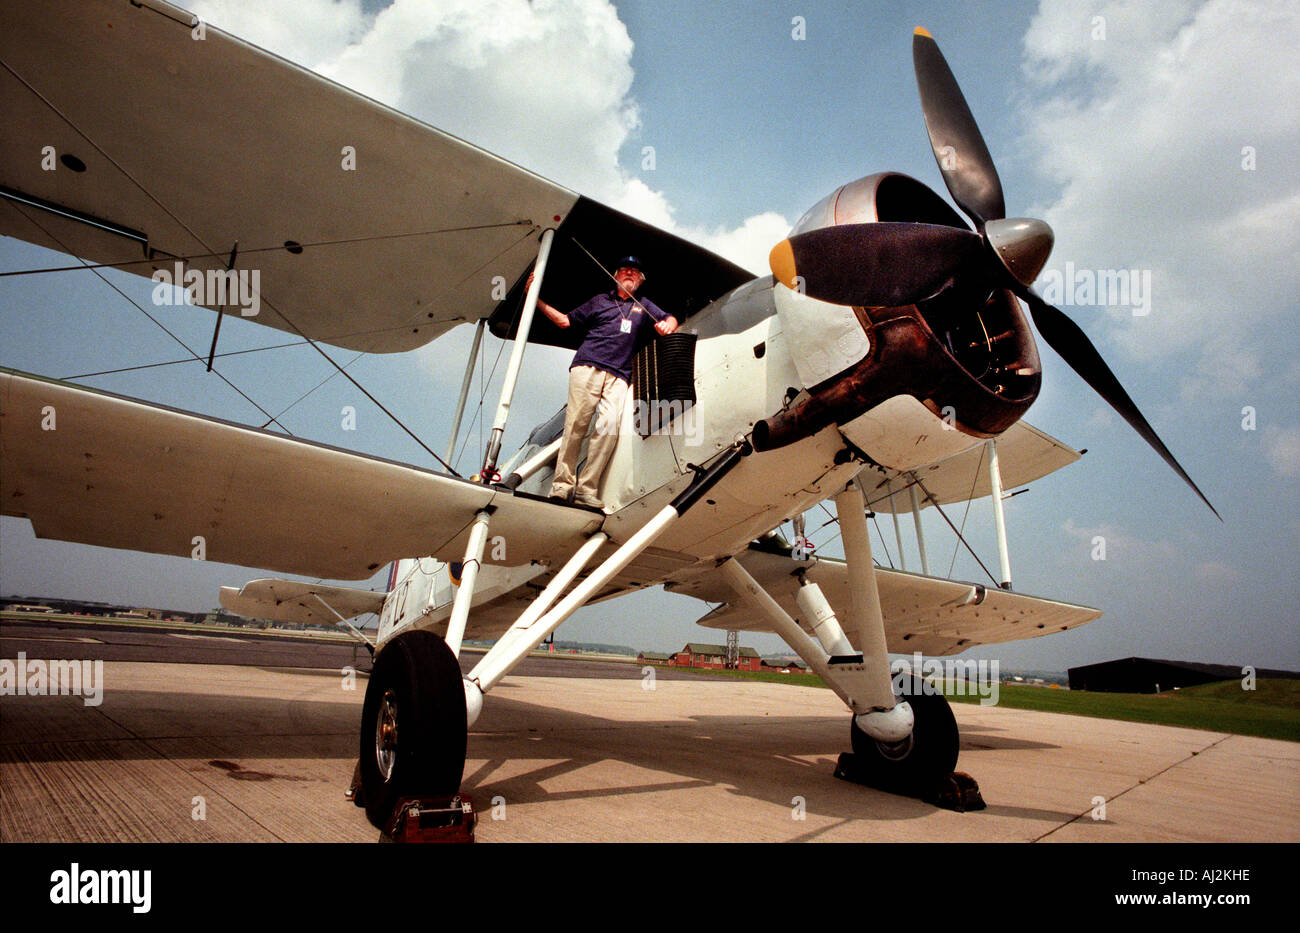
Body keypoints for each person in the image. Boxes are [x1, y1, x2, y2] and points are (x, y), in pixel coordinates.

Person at [531, 256, 678, 508]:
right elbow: (564, 321)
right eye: (624, 270)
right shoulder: (600, 300)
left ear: (641, 280)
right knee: (576, 424)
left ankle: (586, 489)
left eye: (635, 271)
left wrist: (668, 325)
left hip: (620, 375)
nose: (629, 273)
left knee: (609, 427)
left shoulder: (643, 306)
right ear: (615, 276)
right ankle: (561, 485)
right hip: (587, 365)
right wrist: (535, 298)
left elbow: (670, 317)